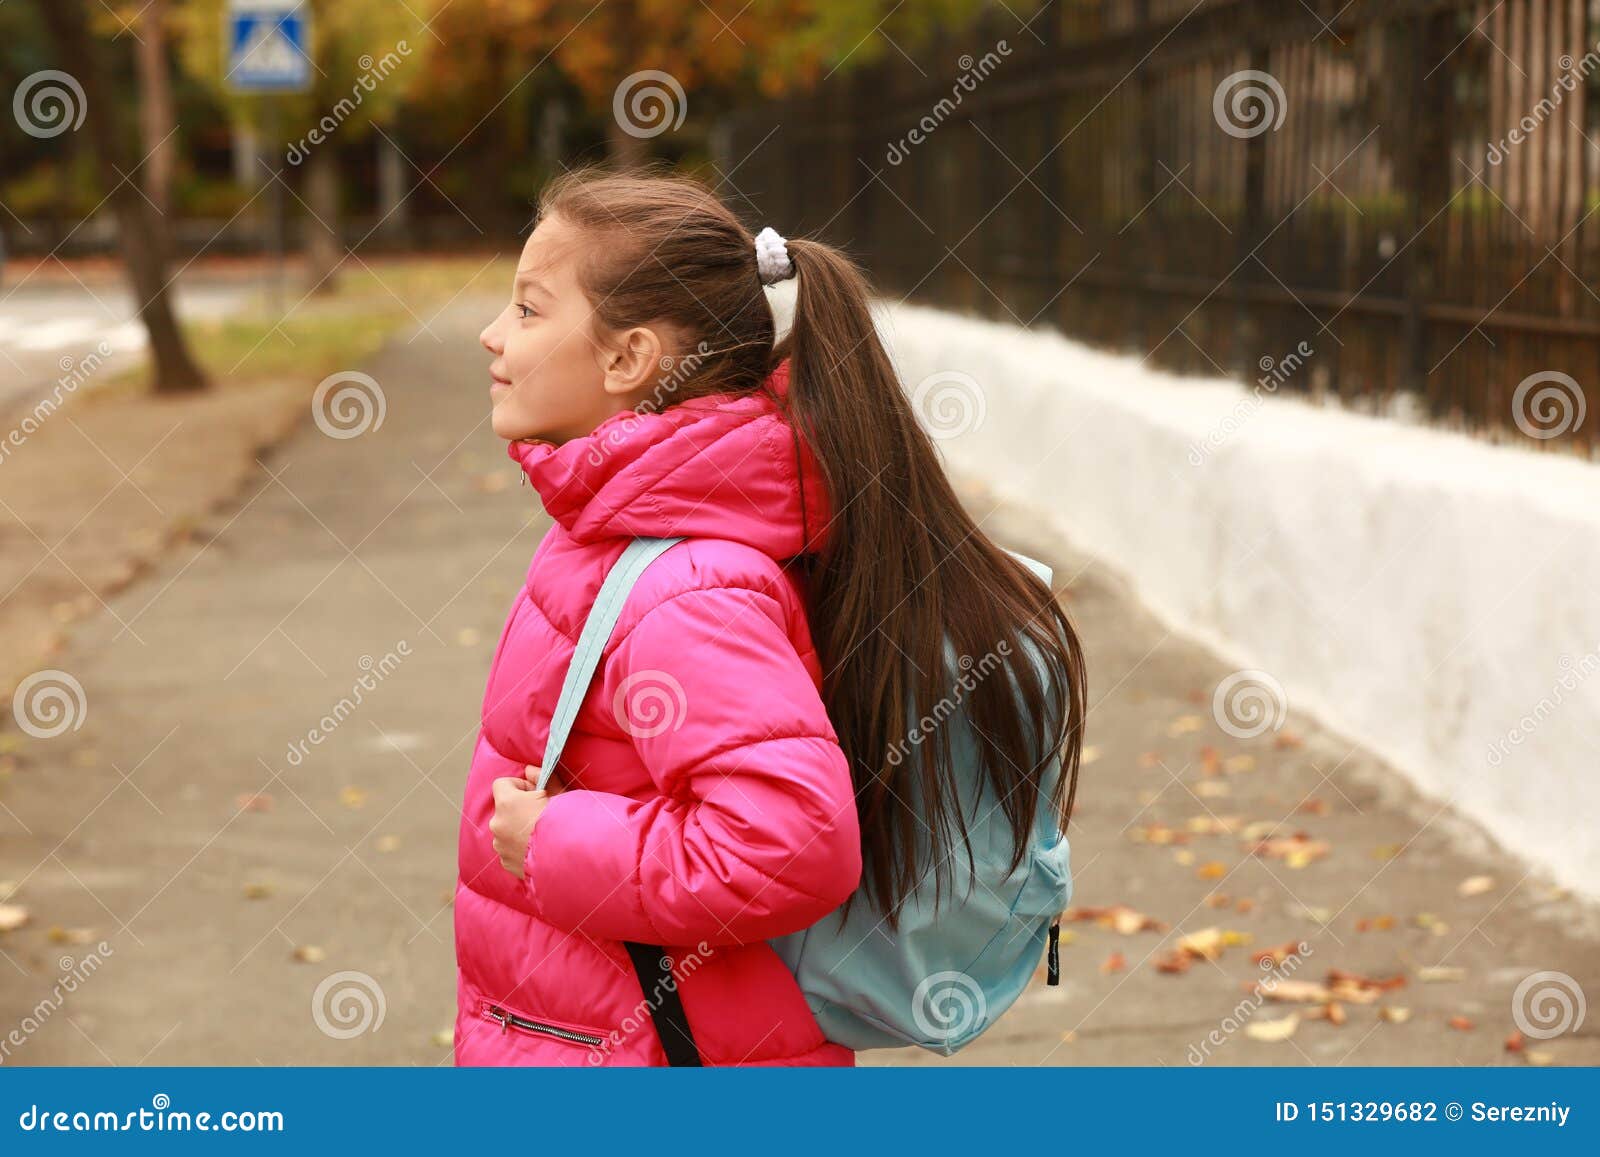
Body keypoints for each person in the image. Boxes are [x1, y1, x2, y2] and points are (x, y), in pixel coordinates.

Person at [453, 163, 1086, 1066]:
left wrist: (555, 840)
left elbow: (789, 844)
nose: (491, 335)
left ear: (628, 358)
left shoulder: (691, 586)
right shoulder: (623, 534)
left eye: (525, 309)